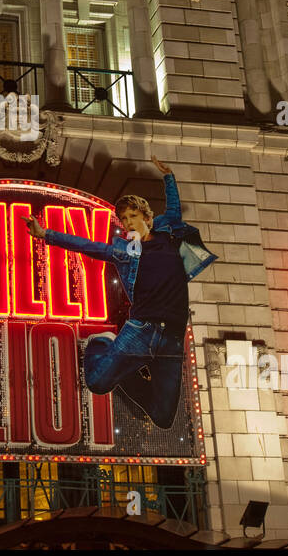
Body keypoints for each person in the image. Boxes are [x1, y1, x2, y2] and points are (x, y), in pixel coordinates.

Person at [25, 156, 216, 428]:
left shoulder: (169, 235)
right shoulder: (125, 252)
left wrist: (169, 176)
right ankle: (103, 343)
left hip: (173, 335)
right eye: (123, 219)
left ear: (149, 218)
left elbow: (173, 209)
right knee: (98, 382)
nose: (127, 223)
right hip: (141, 330)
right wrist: (46, 235)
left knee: (163, 418)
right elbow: (88, 246)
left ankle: (123, 367)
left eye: (133, 217)